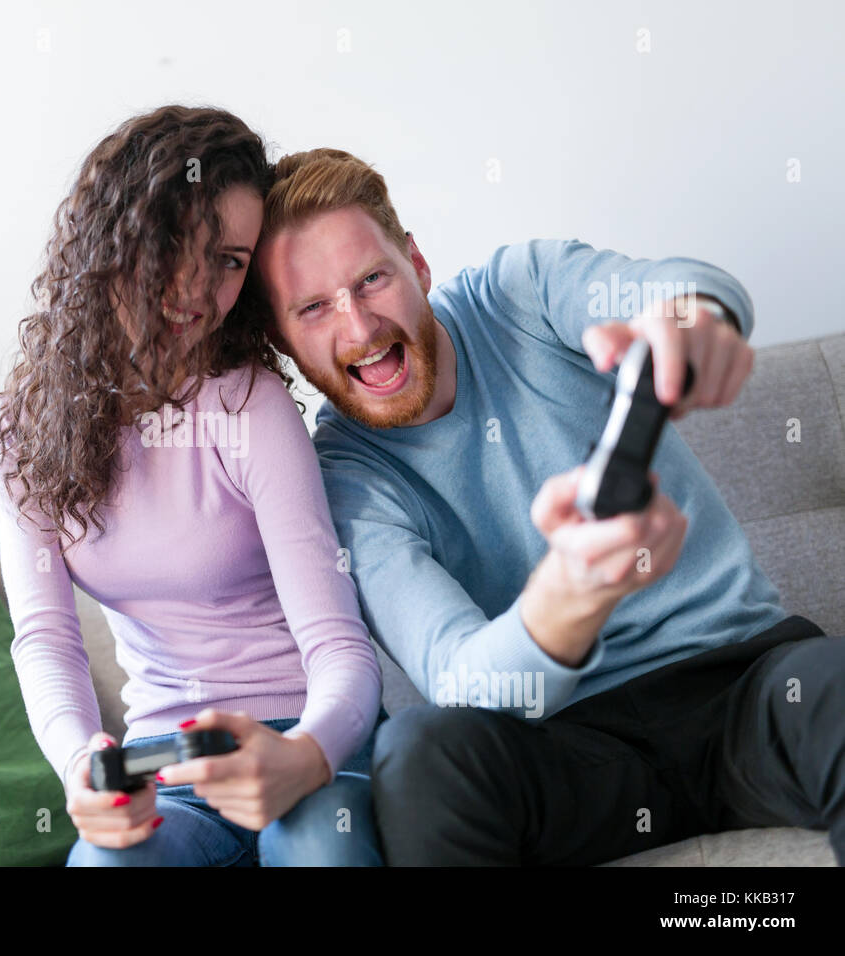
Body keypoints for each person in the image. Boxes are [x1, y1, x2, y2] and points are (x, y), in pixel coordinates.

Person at [247, 146, 845, 865]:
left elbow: (670, 289)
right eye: (314, 308)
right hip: (574, 749)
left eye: (372, 279)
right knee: (420, 753)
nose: (361, 328)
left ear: (417, 263)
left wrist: (693, 318)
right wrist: (565, 605)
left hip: (747, 685)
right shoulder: (345, 480)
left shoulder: (520, 290)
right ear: (283, 339)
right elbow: (460, 681)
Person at [0, 110, 384, 866]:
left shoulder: (246, 406)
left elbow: (339, 646)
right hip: (165, 766)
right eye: (179, 246)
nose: (200, 286)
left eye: (229, 260)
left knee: (325, 852)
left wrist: (307, 755)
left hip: (302, 742)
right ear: (117, 236)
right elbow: (47, 642)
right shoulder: (26, 441)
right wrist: (79, 768)